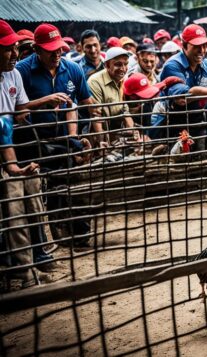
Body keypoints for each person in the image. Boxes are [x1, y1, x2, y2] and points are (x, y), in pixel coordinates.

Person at [15, 23, 95, 247]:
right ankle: (47, 238)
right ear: (37, 49)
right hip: (32, 142)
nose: (57, 53)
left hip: (64, 139)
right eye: (50, 49)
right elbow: (13, 110)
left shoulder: (72, 69)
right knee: (42, 190)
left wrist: (85, 135)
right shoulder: (21, 71)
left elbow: (83, 105)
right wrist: (43, 102)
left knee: (74, 182)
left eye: (59, 48)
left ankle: (79, 232)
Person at [0, 20, 55, 291]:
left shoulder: (13, 75)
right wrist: (12, 166)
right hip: (6, 151)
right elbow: (3, 125)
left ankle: (37, 259)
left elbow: (19, 113)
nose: (13, 54)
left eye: (14, 48)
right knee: (13, 203)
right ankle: (22, 271)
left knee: (34, 191)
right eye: (6, 49)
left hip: (13, 147)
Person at [160, 24, 207, 150]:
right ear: (184, 45)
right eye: (196, 46)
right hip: (172, 123)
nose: (202, 50)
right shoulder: (172, 65)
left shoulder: (206, 65)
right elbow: (183, 97)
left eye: (204, 45)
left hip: (198, 121)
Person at [87, 47, 135, 136]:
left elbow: (124, 108)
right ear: (107, 65)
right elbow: (96, 115)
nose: (123, 68)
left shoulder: (122, 79)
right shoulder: (95, 81)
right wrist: (101, 141)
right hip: (98, 130)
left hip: (115, 129)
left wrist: (132, 129)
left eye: (126, 64)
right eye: (118, 64)